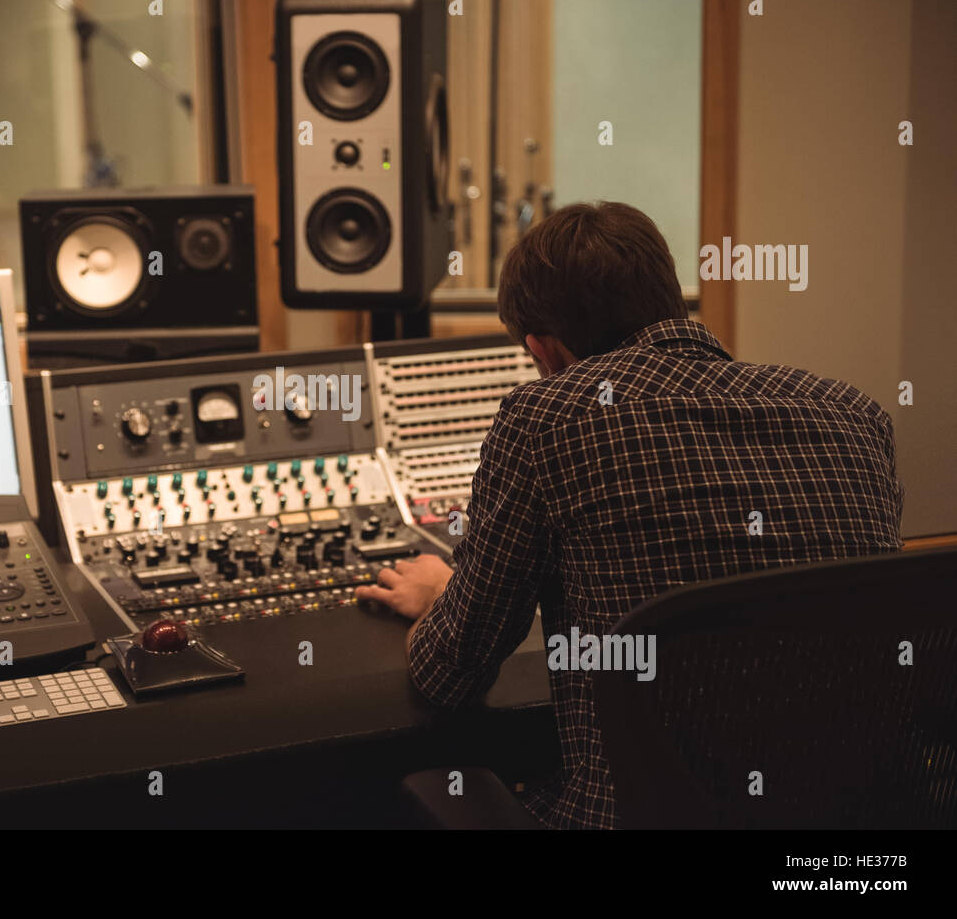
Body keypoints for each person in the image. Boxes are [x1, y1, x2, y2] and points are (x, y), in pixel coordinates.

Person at [356, 201, 904, 828]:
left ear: (544, 349)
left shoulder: (545, 419)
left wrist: (444, 598)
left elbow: (449, 673)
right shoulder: (856, 417)